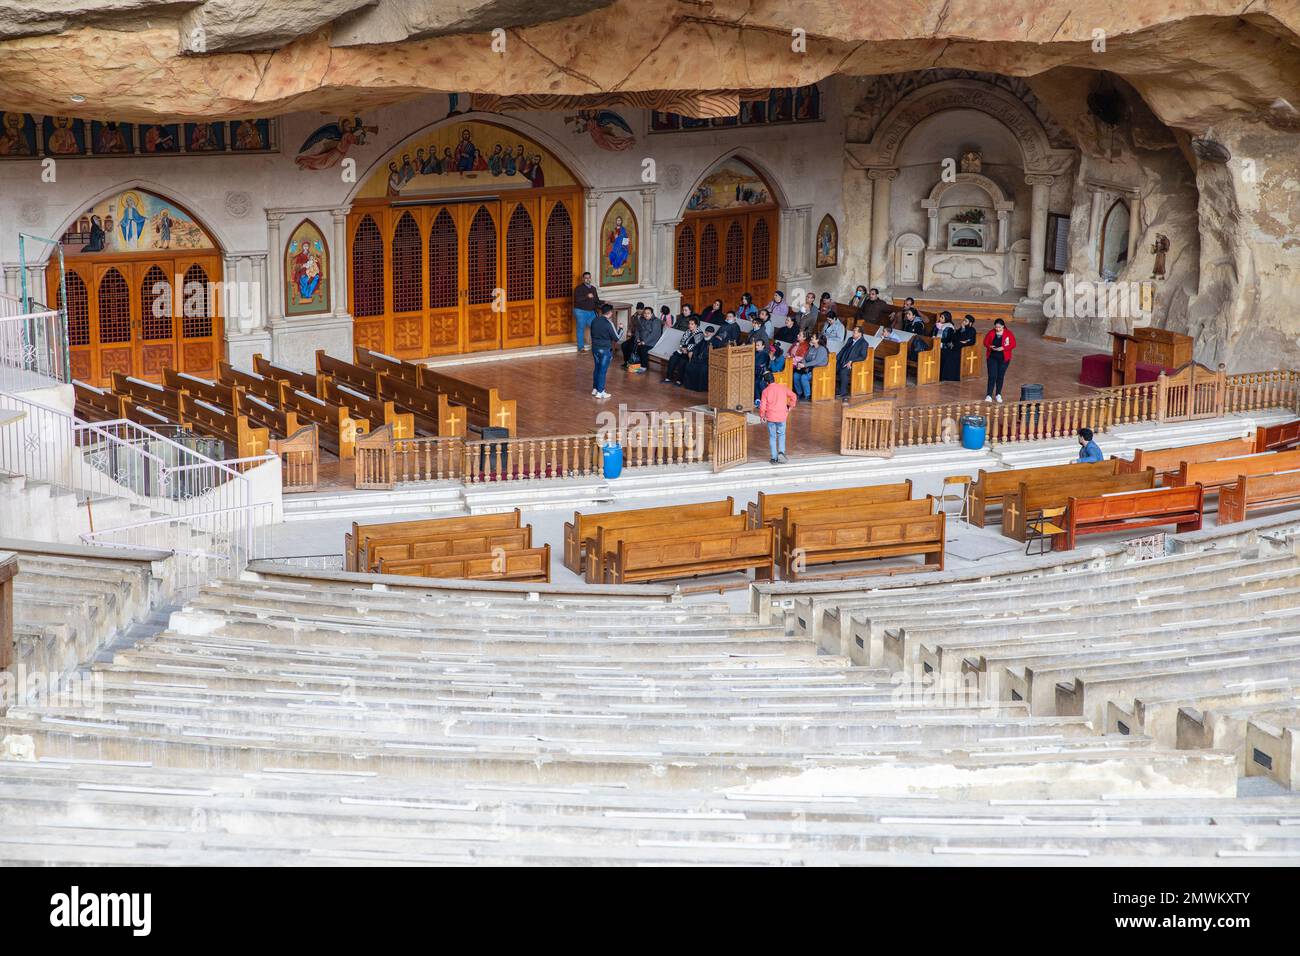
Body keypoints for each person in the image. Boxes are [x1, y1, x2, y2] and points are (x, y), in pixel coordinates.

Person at [759, 371, 797, 465]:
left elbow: (762, 405)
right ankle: (781, 453)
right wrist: (790, 406)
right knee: (781, 435)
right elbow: (793, 396)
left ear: (766, 382)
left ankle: (774, 458)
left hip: (771, 417)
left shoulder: (765, 391)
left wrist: (762, 416)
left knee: (772, 437)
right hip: (782, 416)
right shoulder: (782, 388)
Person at [589, 304, 620, 399]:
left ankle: (595, 389)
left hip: (595, 348)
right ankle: (601, 391)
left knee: (597, 368)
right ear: (610, 313)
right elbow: (616, 338)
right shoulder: (608, 323)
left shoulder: (594, 320)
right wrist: (621, 329)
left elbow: (592, 333)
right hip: (605, 349)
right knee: (602, 370)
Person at [983, 317, 1016, 402]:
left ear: (1003, 326)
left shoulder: (1008, 333)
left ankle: (998, 394)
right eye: (996, 327)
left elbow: (1013, 344)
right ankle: (989, 395)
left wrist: (1003, 348)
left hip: (1004, 359)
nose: (997, 329)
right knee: (992, 376)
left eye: (999, 327)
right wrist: (990, 346)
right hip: (992, 357)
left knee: (1000, 376)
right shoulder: (991, 333)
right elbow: (985, 342)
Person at [665, 318, 704, 385]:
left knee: (682, 362)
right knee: (673, 358)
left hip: (691, 354)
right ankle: (668, 378)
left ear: (696, 325)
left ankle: (679, 381)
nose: (690, 325)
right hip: (682, 351)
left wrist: (687, 349)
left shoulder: (699, 334)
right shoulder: (688, 331)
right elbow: (682, 341)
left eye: (692, 324)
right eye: (689, 323)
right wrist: (683, 348)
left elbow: (696, 345)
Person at [622, 307, 662, 372]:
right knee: (625, 345)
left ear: (652, 314)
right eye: (645, 313)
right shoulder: (642, 319)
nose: (646, 315)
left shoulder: (656, 321)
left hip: (650, 342)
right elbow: (637, 330)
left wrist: (644, 342)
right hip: (640, 339)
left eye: (648, 313)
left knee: (642, 348)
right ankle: (628, 362)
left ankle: (644, 366)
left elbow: (654, 334)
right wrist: (637, 338)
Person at [835, 325, 870, 397]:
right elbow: (843, 349)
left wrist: (851, 361)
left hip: (853, 364)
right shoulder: (850, 339)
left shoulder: (864, 343)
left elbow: (863, 356)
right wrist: (836, 358)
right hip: (843, 360)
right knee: (832, 368)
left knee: (843, 372)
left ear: (860, 334)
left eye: (854, 332)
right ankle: (831, 389)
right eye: (853, 331)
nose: (852, 333)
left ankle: (843, 392)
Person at [792, 333, 827, 399]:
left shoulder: (822, 349)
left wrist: (804, 365)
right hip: (809, 368)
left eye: (813, 337)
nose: (811, 338)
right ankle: (800, 393)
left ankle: (807, 395)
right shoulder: (811, 348)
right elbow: (805, 358)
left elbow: (817, 361)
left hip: (818, 370)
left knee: (804, 377)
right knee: (796, 375)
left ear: (817, 340)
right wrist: (801, 364)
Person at [573, 271, 599, 352]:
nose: (588, 279)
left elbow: (596, 300)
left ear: (591, 278)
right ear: (583, 279)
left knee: (596, 328)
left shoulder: (593, 289)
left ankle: (595, 345)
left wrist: (604, 303)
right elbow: (577, 300)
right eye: (586, 278)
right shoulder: (578, 288)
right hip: (580, 311)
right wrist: (586, 296)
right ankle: (581, 347)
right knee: (581, 328)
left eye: (589, 278)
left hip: (591, 312)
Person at [937, 311, 963, 382]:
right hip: (937, 344)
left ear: (947, 319)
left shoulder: (949, 327)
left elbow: (948, 339)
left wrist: (939, 340)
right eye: (940, 317)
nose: (940, 318)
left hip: (945, 347)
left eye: (942, 317)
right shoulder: (938, 325)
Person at [752, 337, 772, 404]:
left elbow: (760, 365)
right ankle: (757, 399)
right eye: (756, 345)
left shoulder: (764, 354)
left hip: (761, 374)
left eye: (758, 345)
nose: (756, 347)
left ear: (763, 346)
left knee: (756, 382)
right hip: (754, 372)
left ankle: (758, 399)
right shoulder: (755, 353)